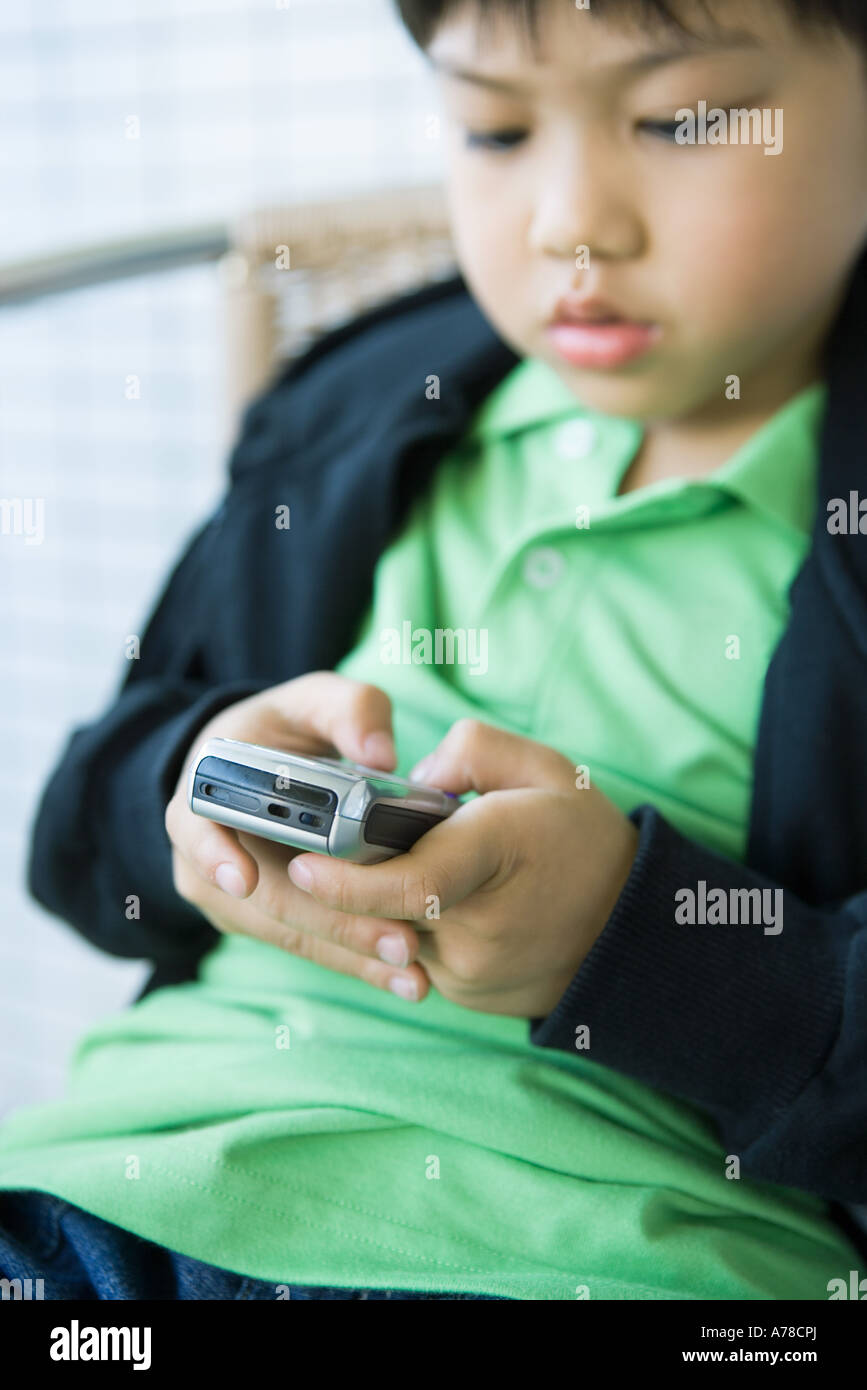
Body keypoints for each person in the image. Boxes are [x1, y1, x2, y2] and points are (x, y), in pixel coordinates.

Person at [1, 0, 866, 1300]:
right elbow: (79, 836)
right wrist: (197, 778)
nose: (572, 224)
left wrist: (627, 940)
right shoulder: (355, 410)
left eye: (681, 118)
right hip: (111, 1199)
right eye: (493, 126)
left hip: (601, 1263)